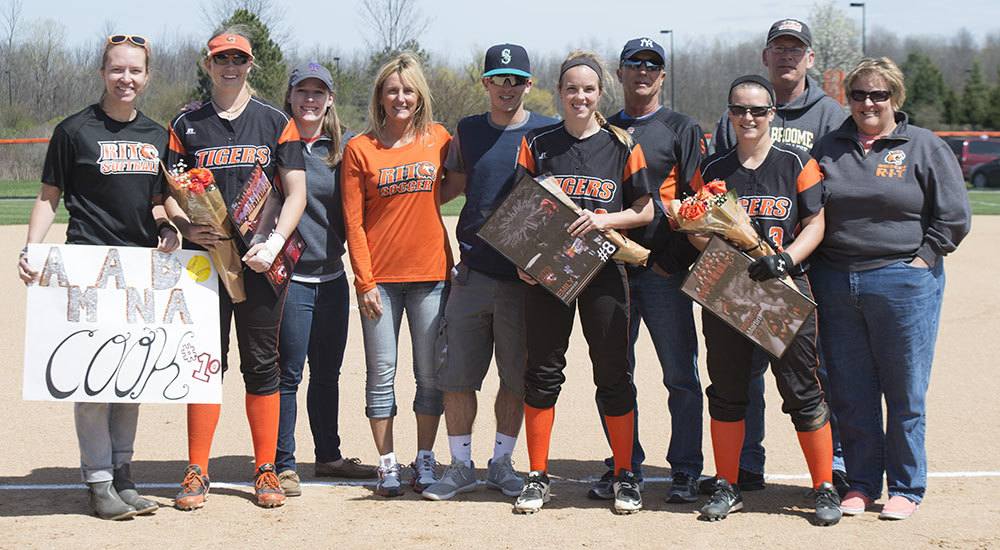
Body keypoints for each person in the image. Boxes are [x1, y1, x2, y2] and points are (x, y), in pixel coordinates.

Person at [17, 34, 179, 520]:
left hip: (138, 272)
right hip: (87, 267)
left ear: (147, 77)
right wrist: (34, 248)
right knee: (93, 383)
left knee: (130, 378)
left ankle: (123, 474)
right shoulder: (74, 131)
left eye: (135, 71)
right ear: (103, 73)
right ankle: (98, 480)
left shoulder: (156, 135)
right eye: (117, 70)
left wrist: (169, 226)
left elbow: (155, 200)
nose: (126, 78)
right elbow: (49, 195)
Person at [809, 57, 971, 521]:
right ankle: (860, 483)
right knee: (850, 389)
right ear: (849, 99)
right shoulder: (829, 146)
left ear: (895, 98)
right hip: (836, 281)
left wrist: (923, 260)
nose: (868, 103)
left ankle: (906, 486)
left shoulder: (923, 145)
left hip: (902, 281)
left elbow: (954, 215)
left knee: (904, 391)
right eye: (859, 94)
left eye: (878, 94)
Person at [165, 28, 307, 510]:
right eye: (221, 59)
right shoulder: (186, 123)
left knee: (261, 363)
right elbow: (168, 191)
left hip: (258, 262)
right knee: (204, 364)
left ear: (251, 65)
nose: (230, 66)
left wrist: (274, 242)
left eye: (239, 59)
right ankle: (197, 470)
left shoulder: (274, 121)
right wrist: (185, 225)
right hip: (205, 264)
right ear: (207, 65)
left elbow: (296, 193)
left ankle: (265, 468)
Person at [705, 18, 848, 495]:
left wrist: (785, 259)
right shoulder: (713, 168)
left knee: (802, 390)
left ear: (771, 114)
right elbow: (696, 227)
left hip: (784, 285)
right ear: (729, 114)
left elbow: (816, 223)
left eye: (759, 111)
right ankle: (727, 482)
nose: (749, 118)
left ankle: (824, 484)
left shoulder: (796, 163)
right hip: (728, 288)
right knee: (727, 392)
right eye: (740, 111)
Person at [512, 51, 654, 515]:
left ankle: (625, 473)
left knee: (614, 373)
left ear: (600, 94)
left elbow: (645, 210)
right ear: (560, 91)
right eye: (571, 88)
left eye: (588, 89)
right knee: (544, 372)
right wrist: (522, 260)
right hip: (550, 272)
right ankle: (537, 475)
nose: (580, 96)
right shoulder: (539, 141)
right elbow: (521, 208)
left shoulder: (621, 144)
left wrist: (601, 219)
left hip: (604, 272)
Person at [422, 44, 557, 501]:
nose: (507, 87)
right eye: (499, 79)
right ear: (485, 83)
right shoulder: (468, 131)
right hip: (473, 273)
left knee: (515, 378)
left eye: (516, 79)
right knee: (456, 377)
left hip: (524, 279)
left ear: (528, 85)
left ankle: (502, 463)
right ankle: (460, 467)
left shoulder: (546, 131)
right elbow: (449, 189)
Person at [586, 37, 705, 504]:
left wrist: (676, 258)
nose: (643, 70)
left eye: (653, 64)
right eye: (634, 63)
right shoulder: (602, 127)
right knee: (614, 375)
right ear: (619, 73)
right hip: (610, 270)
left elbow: (699, 202)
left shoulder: (681, 127)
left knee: (680, 375)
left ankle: (686, 469)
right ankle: (624, 464)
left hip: (664, 272)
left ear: (662, 75)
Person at [340, 52, 452, 498]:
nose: (400, 97)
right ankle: (386, 464)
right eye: (392, 90)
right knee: (380, 373)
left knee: (429, 374)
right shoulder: (360, 148)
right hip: (380, 283)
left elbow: (457, 185)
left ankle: (424, 459)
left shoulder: (440, 139)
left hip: (431, 275)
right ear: (380, 97)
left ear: (420, 95)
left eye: (408, 89)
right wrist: (364, 281)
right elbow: (354, 223)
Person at [273, 62, 376, 497]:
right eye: (302, 92)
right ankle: (282, 462)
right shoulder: (277, 142)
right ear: (291, 97)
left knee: (328, 373)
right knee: (289, 374)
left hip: (331, 276)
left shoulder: (345, 147)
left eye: (319, 92)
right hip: (291, 279)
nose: (310, 100)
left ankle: (328, 454)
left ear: (330, 98)